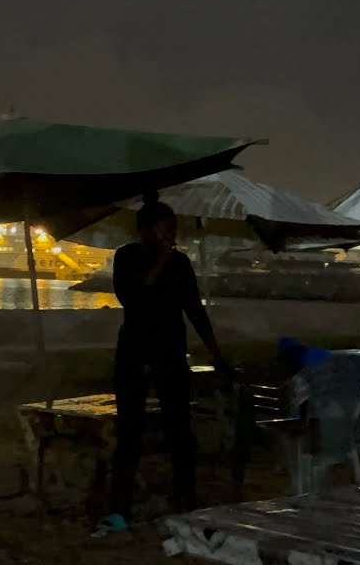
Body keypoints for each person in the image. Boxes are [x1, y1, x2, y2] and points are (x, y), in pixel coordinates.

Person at [97, 195, 233, 535]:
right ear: (145, 229)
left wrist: (215, 352)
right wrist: (160, 261)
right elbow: (133, 298)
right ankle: (120, 508)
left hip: (170, 352)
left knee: (180, 430)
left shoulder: (181, 263)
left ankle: (185, 498)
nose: (171, 234)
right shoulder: (127, 256)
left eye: (173, 229)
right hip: (133, 353)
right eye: (165, 228)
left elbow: (194, 309)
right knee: (129, 432)